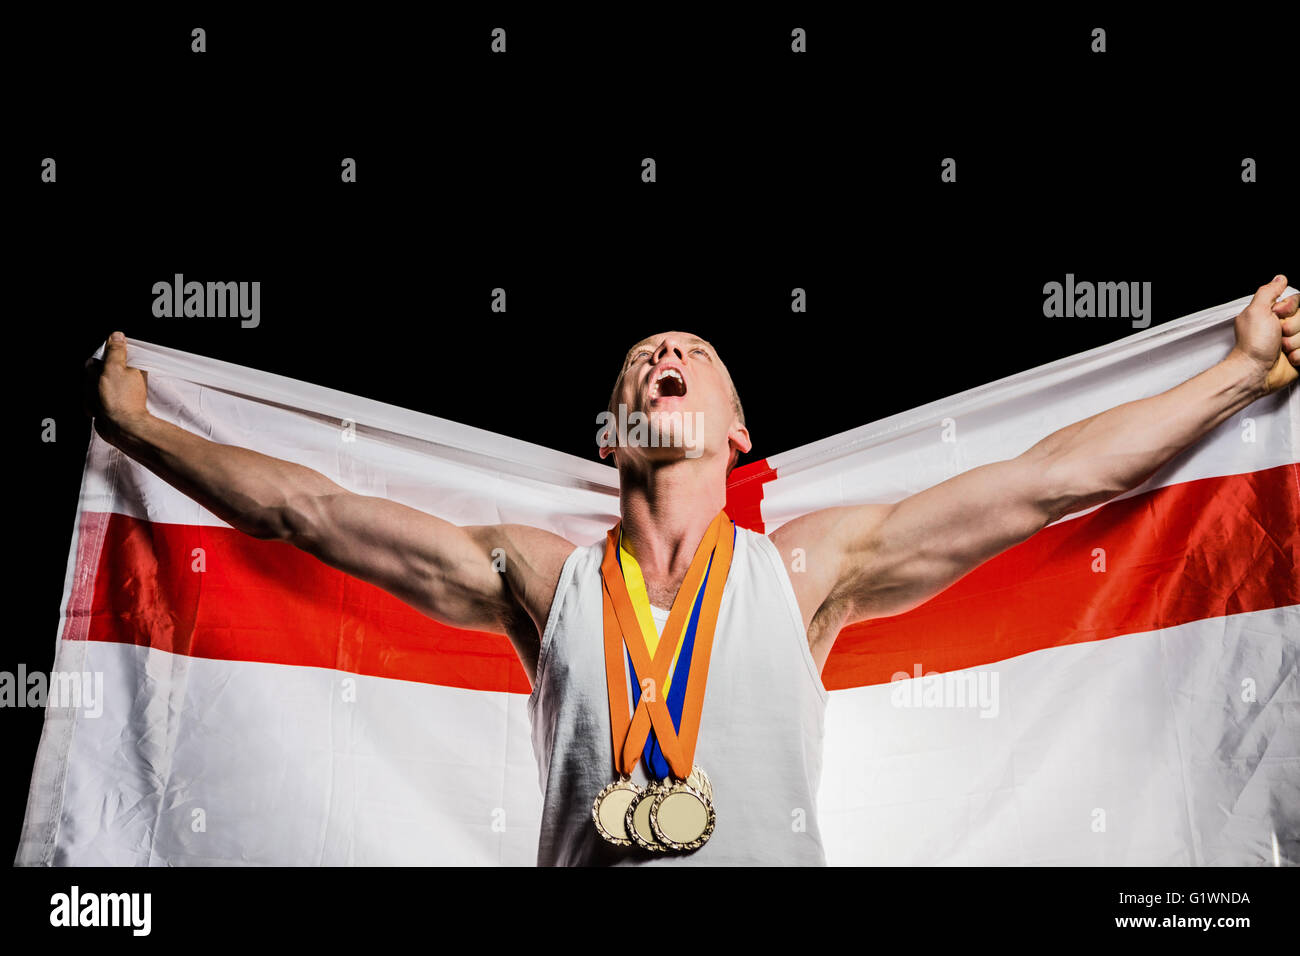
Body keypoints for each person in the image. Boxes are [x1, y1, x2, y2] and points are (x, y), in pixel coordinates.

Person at [85, 276, 1300, 865]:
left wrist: (1238, 374)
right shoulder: (540, 574)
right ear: (608, 432)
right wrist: (146, 433)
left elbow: (1050, 481)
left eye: (692, 351)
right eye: (639, 357)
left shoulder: (813, 566)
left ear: (738, 431)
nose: (662, 350)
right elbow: (308, 509)